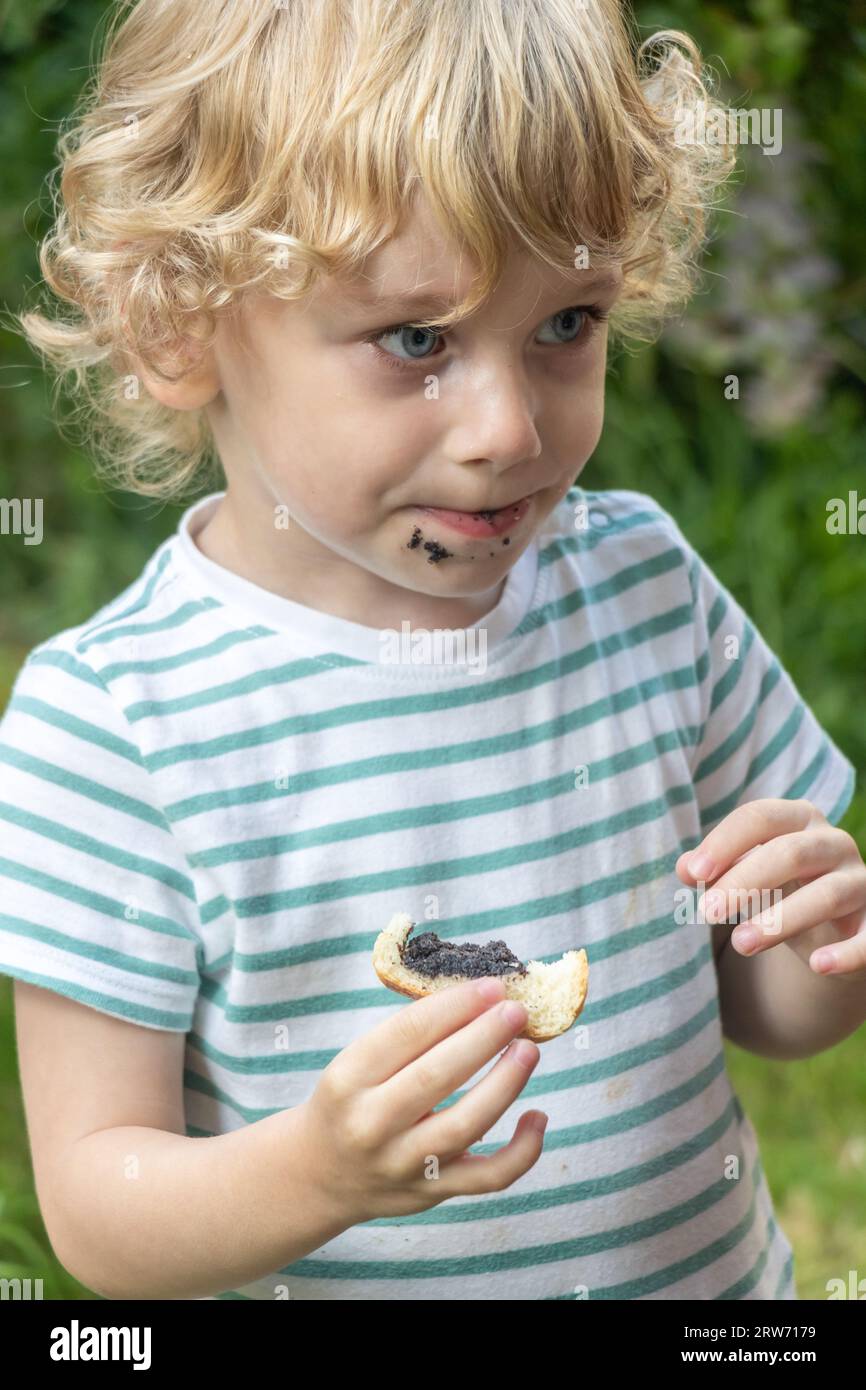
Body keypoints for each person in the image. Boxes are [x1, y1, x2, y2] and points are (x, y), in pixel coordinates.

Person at [2, 0, 863, 1301]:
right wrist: (317, 1172)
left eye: (564, 323)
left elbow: (776, 1018)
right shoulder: (114, 724)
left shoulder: (644, 589)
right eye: (416, 340)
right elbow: (98, 1210)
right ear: (179, 322)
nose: (507, 427)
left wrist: (821, 933)